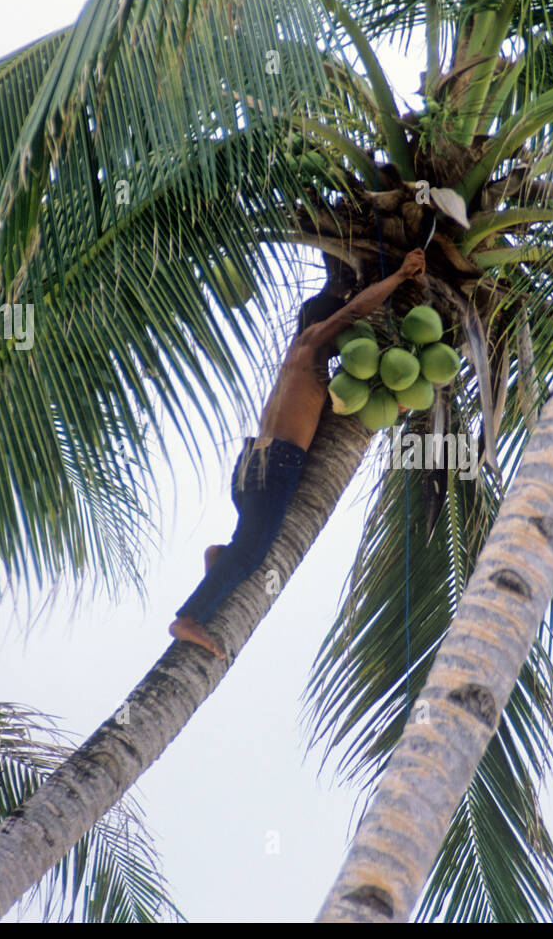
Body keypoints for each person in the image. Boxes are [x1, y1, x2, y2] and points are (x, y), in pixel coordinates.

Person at [169, 248, 428, 656]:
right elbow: (352, 312)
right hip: (277, 464)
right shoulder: (310, 344)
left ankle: (221, 558)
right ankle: (189, 618)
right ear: (324, 327)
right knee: (253, 553)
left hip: (252, 463)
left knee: (247, 542)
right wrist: (399, 277)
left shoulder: (302, 367)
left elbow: (346, 411)